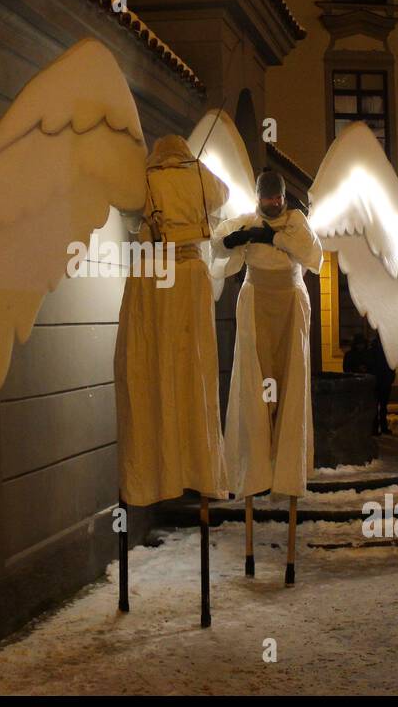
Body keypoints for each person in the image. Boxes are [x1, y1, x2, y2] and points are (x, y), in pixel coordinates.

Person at [114, 134, 230, 507]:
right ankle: (198, 469)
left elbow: (127, 208)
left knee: (147, 368)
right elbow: (223, 195)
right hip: (192, 279)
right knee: (194, 368)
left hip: (155, 277)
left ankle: (153, 476)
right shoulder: (201, 177)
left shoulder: (144, 180)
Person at [214, 170, 323, 502]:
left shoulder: (296, 222)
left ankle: (287, 470)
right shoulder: (247, 221)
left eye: (277, 199)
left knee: (289, 381)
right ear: (259, 199)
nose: (273, 204)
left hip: (289, 303)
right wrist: (230, 241)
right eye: (267, 200)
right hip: (256, 302)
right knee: (254, 382)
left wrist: (270, 238)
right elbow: (217, 243)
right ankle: (254, 467)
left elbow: (312, 254)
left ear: (284, 197)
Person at [369, 333, 394, 435]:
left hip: (383, 382)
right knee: (376, 406)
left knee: (382, 406)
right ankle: (376, 428)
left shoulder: (386, 350)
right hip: (378, 382)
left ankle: (382, 427)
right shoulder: (374, 351)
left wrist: (390, 379)